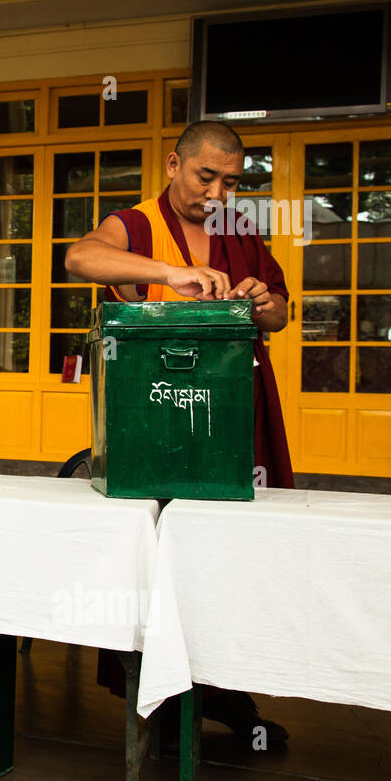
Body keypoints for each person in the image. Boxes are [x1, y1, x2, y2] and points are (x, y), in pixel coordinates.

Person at [65, 119, 291, 743]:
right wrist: (170, 273)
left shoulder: (238, 232)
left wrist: (266, 305)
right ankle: (154, 693)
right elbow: (80, 256)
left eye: (231, 182)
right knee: (158, 550)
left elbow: (279, 308)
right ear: (173, 164)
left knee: (225, 547)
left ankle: (224, 684)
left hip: (229, 406)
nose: (217, 194)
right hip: (157, 407)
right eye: (205, 176)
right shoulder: (134, 223)